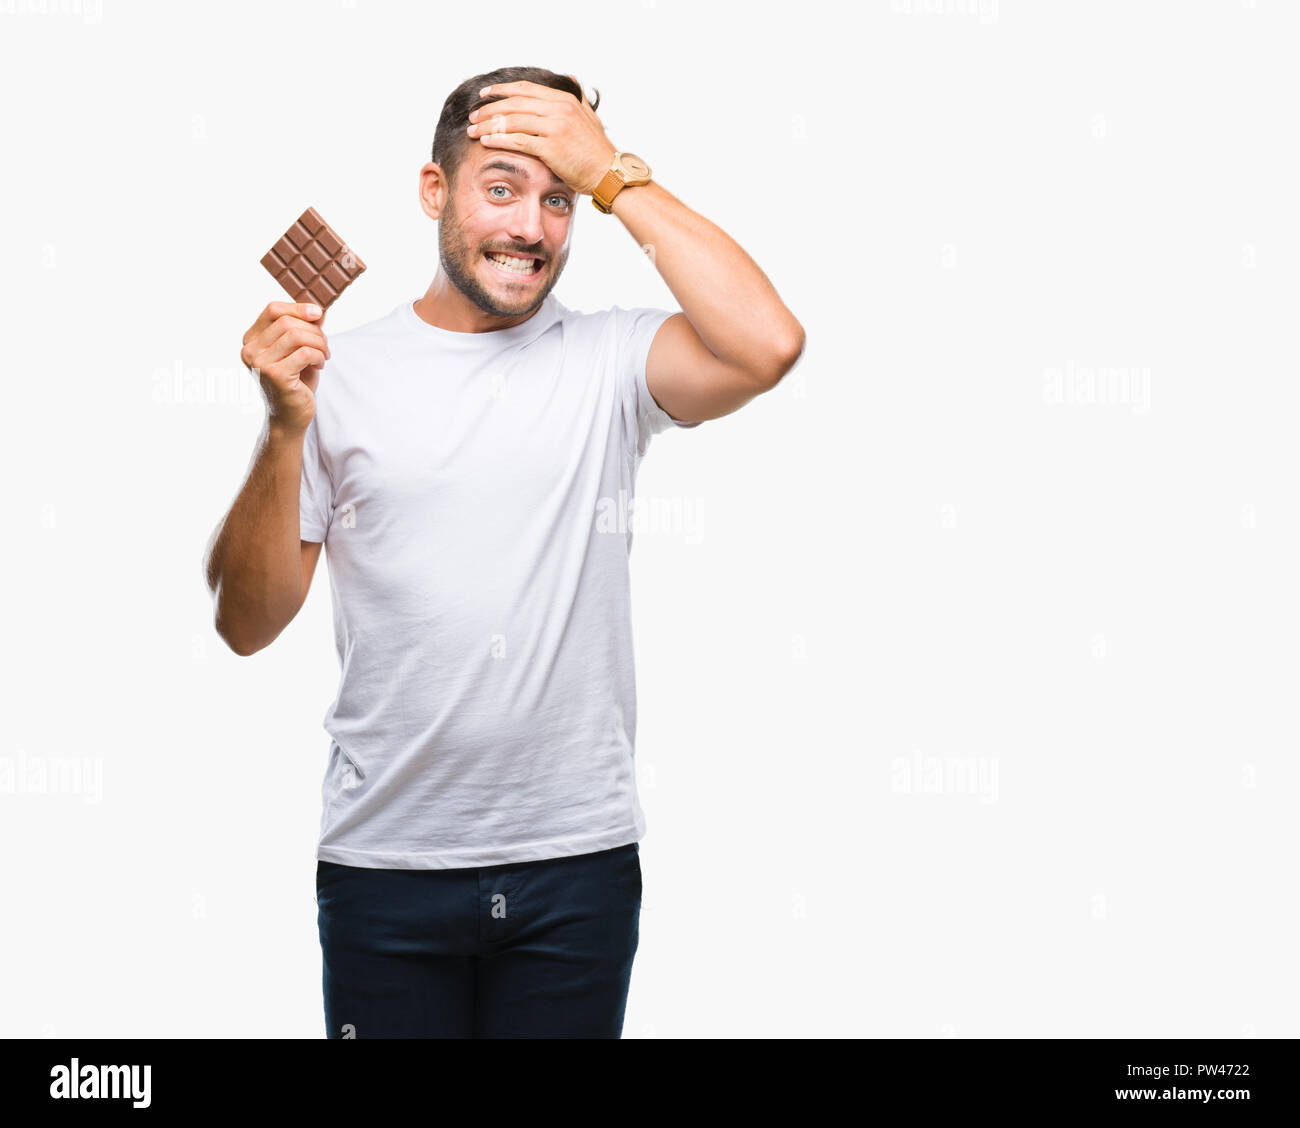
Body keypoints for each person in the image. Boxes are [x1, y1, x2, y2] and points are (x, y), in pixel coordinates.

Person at [202, 65, 805, 1038]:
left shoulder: (610, 359)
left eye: (556, 196)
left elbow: (766, 344)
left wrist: (613, 175)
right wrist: (282, 430)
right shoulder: (332, 376)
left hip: (575, 867)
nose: (531, 226)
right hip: (384, 867)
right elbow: (244, 624)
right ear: (433, 192)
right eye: (500, 188)